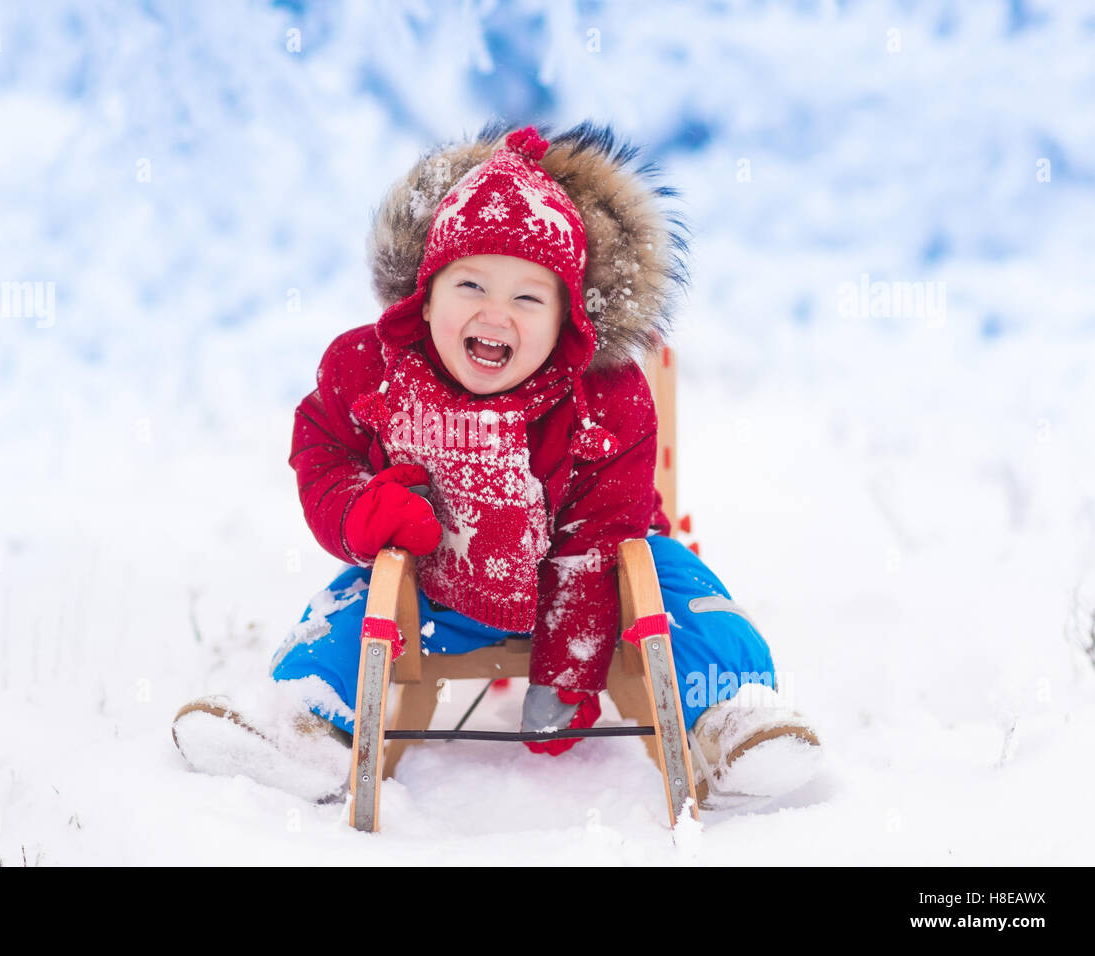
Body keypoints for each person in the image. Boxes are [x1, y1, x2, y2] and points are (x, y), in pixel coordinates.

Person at [173, 122, 823, 810]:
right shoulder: (373, 371)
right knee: (349, 604)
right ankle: (304, 726)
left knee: (677, 584)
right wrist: (360, 510)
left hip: (594, 590)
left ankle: (734, 716)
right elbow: (322, 448)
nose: (495, 312)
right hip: (435, 592)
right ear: (425, 296)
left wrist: (566, 677)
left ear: (567, 324)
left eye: (527, 297)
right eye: (471, 284)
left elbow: (601, 534)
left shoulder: (605, 400)